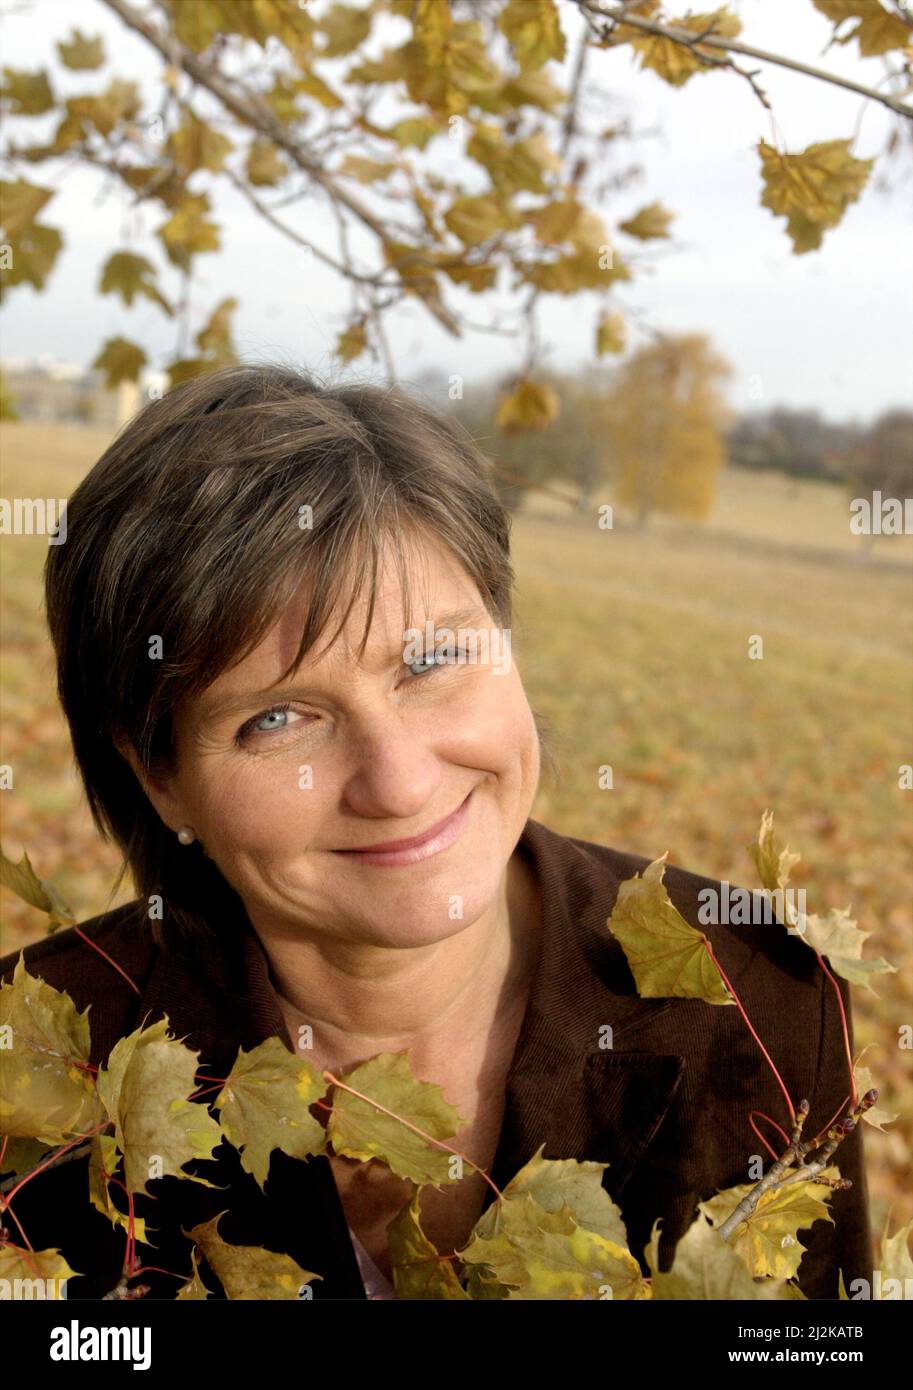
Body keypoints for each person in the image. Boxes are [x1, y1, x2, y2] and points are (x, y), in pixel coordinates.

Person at [0, 364, 872, 1301]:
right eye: (277, 719)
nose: (400, 781)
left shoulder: (762, 995)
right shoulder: (35, 1072)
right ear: (159, 778)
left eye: (434, 660)